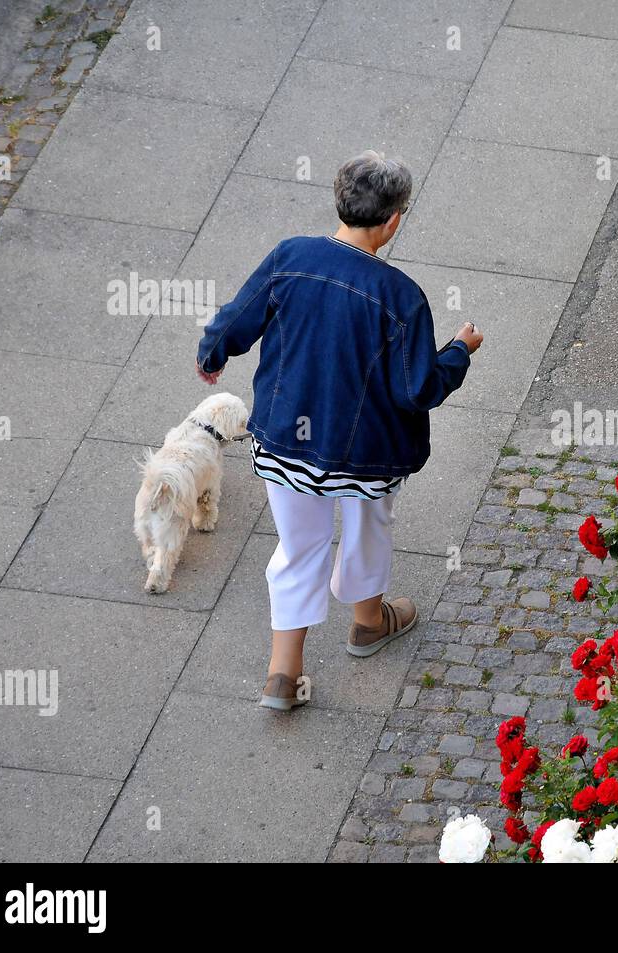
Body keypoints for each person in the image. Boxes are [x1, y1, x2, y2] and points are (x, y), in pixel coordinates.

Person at [195, 150, 483, 711]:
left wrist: (213, 353)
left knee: (298, 547)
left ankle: (283, 675)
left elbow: (236, 318)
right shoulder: (402, 296)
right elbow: (419, 389)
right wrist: (458, 351)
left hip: (286, 442)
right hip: (367, 455)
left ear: (340, 201)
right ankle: (368, 623)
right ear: (394, 220)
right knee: (368, 526)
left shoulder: (291, 256)